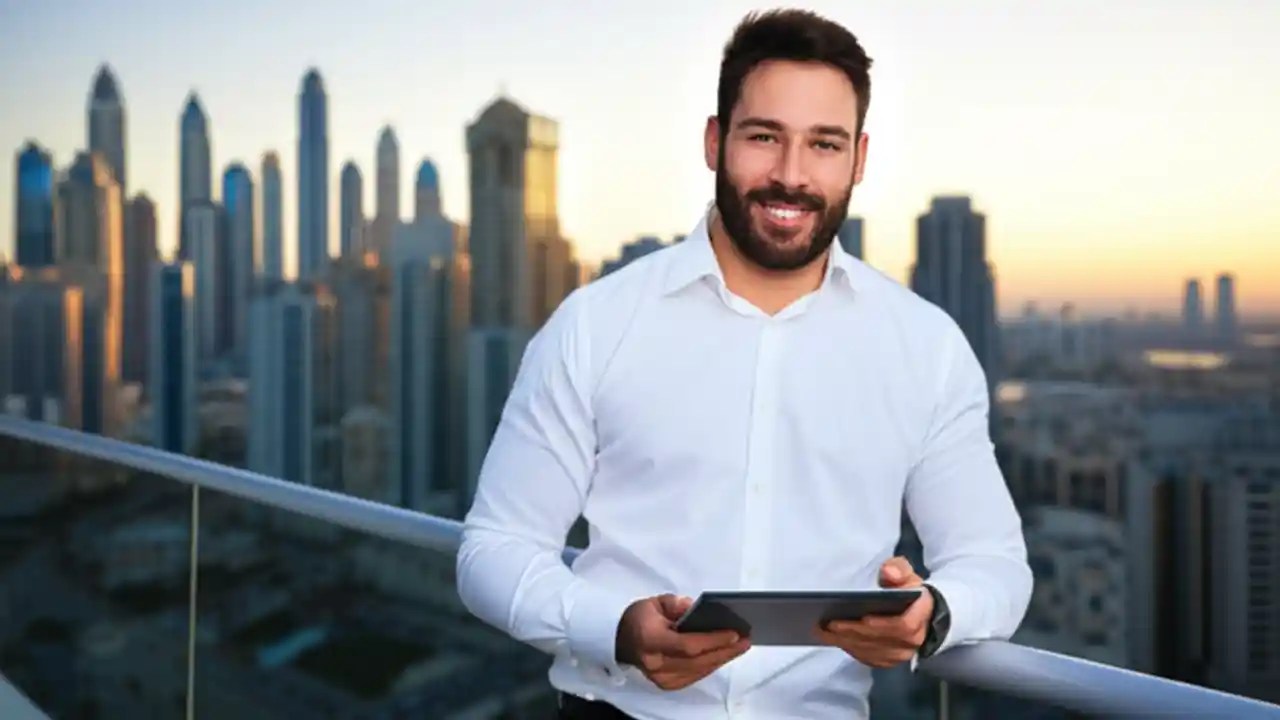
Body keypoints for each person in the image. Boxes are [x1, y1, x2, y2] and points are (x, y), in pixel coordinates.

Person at [456, 8, 1032, 719]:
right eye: (764, 137)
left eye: (824, 144)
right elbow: (493, 551)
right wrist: (615, 630)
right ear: (715, 141)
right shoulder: (596, 324)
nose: (791, 176)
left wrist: (935, 612)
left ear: (859, 159)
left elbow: (997, 566)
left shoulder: (925, 346)